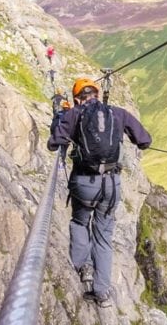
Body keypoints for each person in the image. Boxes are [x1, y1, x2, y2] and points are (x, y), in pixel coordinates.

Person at [48, 78, 152, 307]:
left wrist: (62, 122)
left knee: (80, 222)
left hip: (84, 183)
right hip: (112, 185)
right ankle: (102, 292)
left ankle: (82, 267)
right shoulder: (118, 113)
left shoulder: (74, 114)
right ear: (96, 94)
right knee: (103, 237)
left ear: (77, 99)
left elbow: (54, 143)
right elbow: (145, 141)